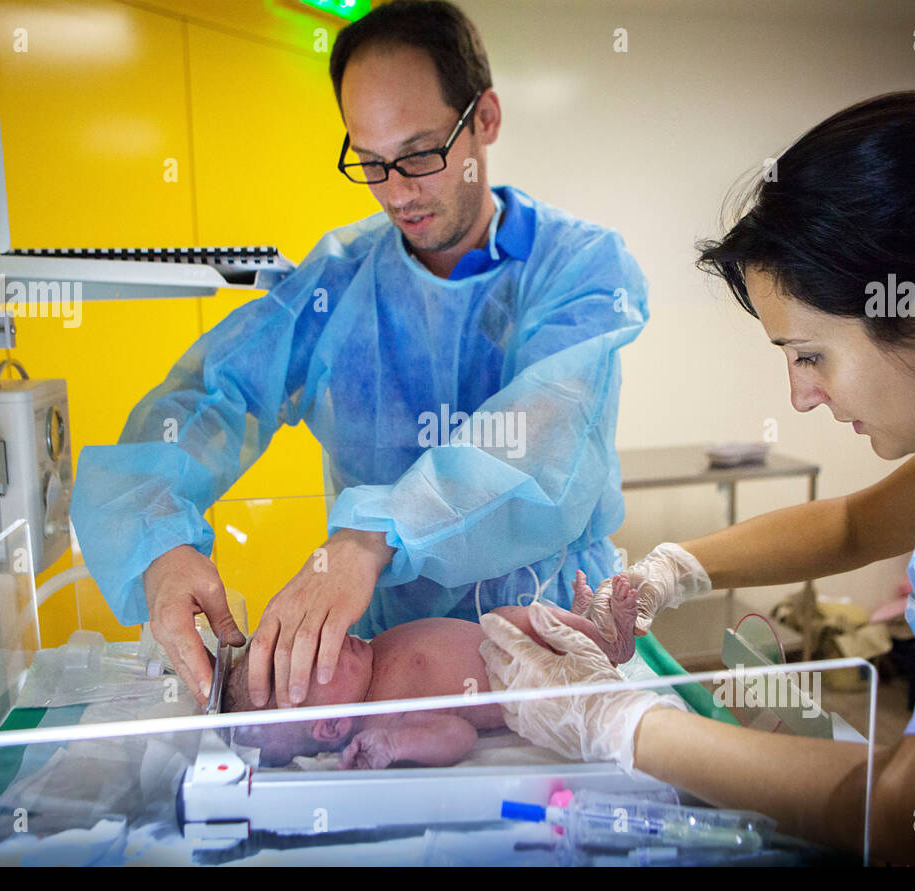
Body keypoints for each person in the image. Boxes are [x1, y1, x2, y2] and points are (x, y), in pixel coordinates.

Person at [479, 91, 915, 865]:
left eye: (811, 354)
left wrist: (615, 721)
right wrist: (666, 573)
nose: (800, 395)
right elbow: (851, 525)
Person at [70, 1, 649, 710]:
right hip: (388, 673)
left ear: (486, 119)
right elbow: (207, 399)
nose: (396, 191)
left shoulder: (580, 267)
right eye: (369, 161)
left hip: (556, 650)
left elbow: (540, 441)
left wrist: (372, 537)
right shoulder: (337, 281)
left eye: (420, 152)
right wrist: (157, 543)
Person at [218, 571, 664, 769]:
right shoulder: (385, 717)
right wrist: (394, 743)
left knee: (515, 618)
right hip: (531, 678)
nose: (328, 640)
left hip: (509, 643)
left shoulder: (370, 659)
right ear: (331, 725)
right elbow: (459, 737)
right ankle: (609, 646)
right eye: (320, 658)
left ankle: (582, 631)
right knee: (516, 620)